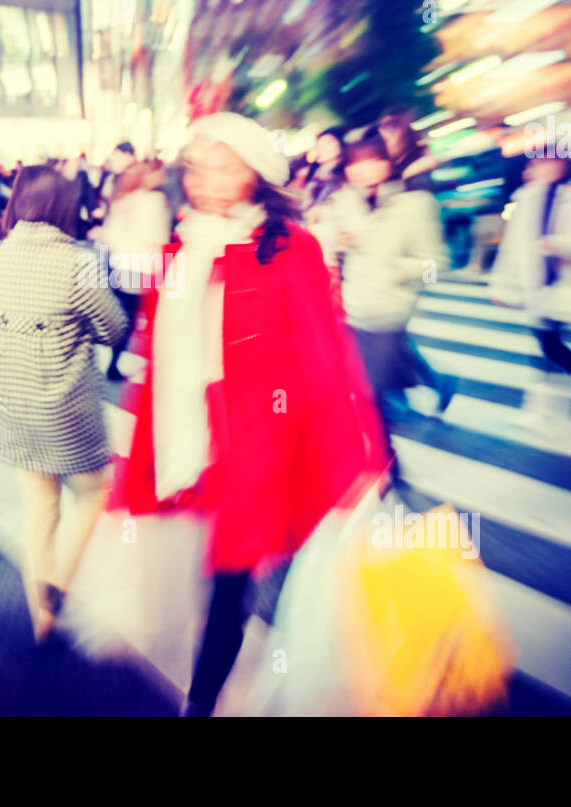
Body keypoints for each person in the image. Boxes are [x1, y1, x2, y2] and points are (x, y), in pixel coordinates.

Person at [109, 111, 388, 716]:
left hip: (265, 442)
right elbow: (161, 356)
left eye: (223, 166)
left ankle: (203, 700)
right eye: (197, 166)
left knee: (232, 574)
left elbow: (325, 357)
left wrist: (360, 448)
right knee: (212, 566)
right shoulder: (183, 247)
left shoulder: (293, 249)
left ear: (256, 174)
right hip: (196, 439)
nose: (206, 179)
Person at [0, 165, 128, 643]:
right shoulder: (78, 260)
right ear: (66, 206)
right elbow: (114, 327)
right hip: (66, 410)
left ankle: (40, 619)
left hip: (13, 403)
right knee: (95, 491)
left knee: (39, 510)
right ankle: (58, 585)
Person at [324, 127, 455, 423]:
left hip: (389, 313)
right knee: (366, 400)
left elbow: (437, 263)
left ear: (387, 162)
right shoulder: (345, 202)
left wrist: (398, 270)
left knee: (372, 403)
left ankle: (388, 463)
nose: (363, 170)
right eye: (355, 163)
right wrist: (339, 243)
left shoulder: (414, 203)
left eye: (372, 161)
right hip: (353, 312)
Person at [490, 150, 571, 425]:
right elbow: (511, 249)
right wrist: (501, 286)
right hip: (537, 285)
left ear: (562, 165)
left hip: (566, 286)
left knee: (547, 345)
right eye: (535, 164)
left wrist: (556, 244)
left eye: (544, 163)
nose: (536, 169)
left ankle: (542, 406)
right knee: (547, 344)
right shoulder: (525, 200)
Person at [92, 161, 171, 380]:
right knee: (148, 320)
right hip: (142, 269)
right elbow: (158, 239)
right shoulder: (155, 201)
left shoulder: (123, 199)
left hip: (118, 265)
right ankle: (151, 366)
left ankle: (115, 363)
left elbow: (108, 236)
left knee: (126, 319)